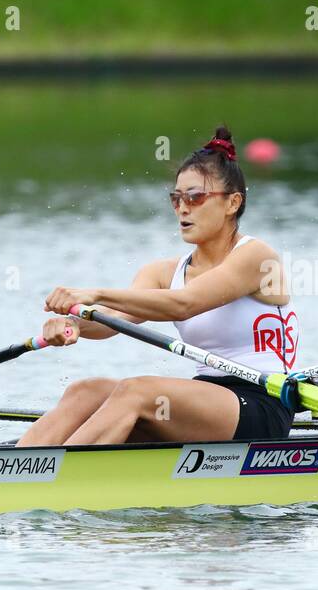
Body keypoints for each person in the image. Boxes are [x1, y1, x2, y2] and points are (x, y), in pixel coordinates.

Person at [17, 127, 299, 446]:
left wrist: (93, 292)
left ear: (233, 202)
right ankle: (16, 470)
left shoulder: (256, 257)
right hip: (206, 401)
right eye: (176, 198)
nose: (182, 208)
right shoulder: (162, 272)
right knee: (84, 391)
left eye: (195, 197)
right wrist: (72, 325)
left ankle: (55, 480)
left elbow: (184, 304)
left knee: (137, 391)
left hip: (262, 405)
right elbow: (112, 319)